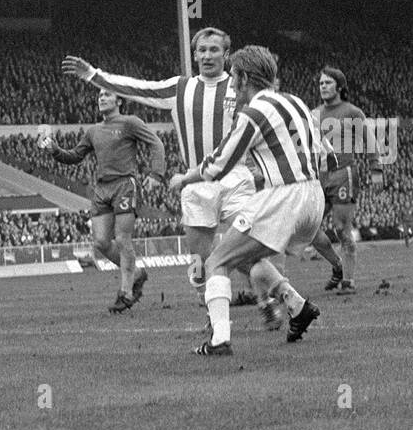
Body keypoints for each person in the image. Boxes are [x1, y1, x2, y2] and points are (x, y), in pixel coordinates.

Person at [63, 27, 263, 314]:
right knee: (200, 258)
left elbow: (266, 122)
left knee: (249, 244)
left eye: (214, 50)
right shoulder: (179, 88)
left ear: (227, 54)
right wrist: (93, 75)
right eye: (202, 50)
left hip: (236, 179)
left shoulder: (241, 88)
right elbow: (136, 87)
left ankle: (275, 298)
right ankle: (212, 309)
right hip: (196, 182)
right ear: (194, 54)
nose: (207, 55)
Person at [169, 45, 326, 356]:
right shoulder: (297, 103)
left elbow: (220, 163)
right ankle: (297, 306)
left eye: (233, 81)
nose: (232, 89)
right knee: (245, 256)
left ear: (241, 78)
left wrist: (185, 178)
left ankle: (219, 341)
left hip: (284, 197)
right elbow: (323, 150)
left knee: (216, 261)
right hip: (314, 198)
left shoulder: (253, 112)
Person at [40, 91, 166, 312]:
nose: (101, 98)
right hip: (101, 188)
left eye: (107, 95)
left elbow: (156, 143)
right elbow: (75, 156)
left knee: (123, 238)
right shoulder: (93, 131)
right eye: (99, 95)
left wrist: (156, 174)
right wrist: (55, 150)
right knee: (101, 243)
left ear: (119, 101)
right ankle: (136, 274)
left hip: (124, 184)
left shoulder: (130, 123)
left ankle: (125, 292)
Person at [310, 66, 376, 294]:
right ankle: (337, 266)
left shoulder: (352, 112)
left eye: (328, 83)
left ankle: (348, 282)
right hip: (319, 177)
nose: (324, 87)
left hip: (344, 175)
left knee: (341, 229)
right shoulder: (314, 115)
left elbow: (370, 145)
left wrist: (376, 175)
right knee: (309, 228)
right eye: (321, 83)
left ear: (339, 86)